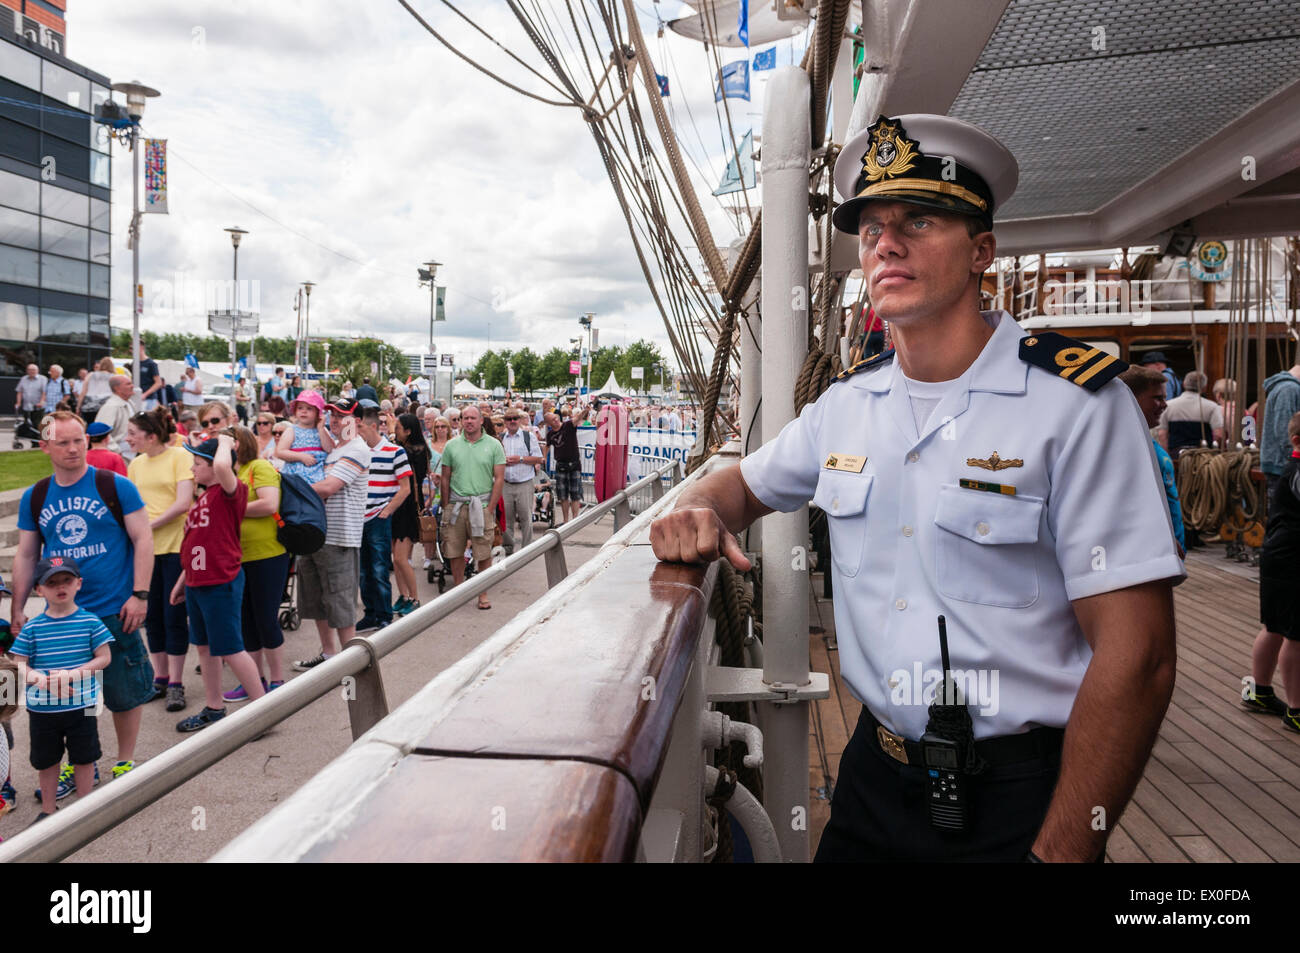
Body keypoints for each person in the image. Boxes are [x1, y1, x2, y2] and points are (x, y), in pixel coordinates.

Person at [650, 113, 1183, 862]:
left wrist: (1062, 853)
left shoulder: (1074, 406)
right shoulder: (846, 406)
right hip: (874, 777)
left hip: (1018, 798)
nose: (886, 242)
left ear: (981, 251)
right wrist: (692, 511)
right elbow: (736, 485)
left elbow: (1140, 655)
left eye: (919, 219)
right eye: (871, 229)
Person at [11, 412, 156, 793]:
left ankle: (125, 761)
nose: (74, 448)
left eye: (79, 440)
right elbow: (27, 555)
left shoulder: (115, 485)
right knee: (66, 696)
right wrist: (17, 607)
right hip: (61, 614)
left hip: (114, 607)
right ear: (45, 447)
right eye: (63, 442)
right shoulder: (36, 496)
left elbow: (143, 539)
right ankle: (76, 766)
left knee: (124, 690)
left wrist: (140, 595)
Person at [171, 435, 266, 731]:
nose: (192, 469)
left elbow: (225, 465)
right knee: (204, 647)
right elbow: (197, 544)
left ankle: (264, 713)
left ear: (216, 465)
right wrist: (182, 582)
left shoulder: (231, 491)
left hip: (220, 582)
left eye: (198, 463)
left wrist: (224, 442)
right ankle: (214, 707)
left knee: (230, 648)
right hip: (197, 583)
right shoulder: (204, 498)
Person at [8, 557, 113, 820]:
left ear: (79, 583)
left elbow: (104, 657)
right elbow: (19, 663)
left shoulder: (90, 622)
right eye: (51, 582)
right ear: (39, 590)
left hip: (83, 704)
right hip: (42, 707)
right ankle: (48, 810)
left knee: (85, 757)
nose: (60, 586)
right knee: (46, 760)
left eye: (66, 580)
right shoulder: (33, 627)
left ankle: (85, 810)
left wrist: (72, 674)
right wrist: (39, 679)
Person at [293, 398, 371, 670]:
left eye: (342, 416)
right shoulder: (336, 448)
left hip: (339, 537)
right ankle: (328, 656)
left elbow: (328, 487)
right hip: (316, 533)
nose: (335, 420)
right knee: (316, 601)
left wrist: (290, 491)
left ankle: (352, 664)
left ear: (357, 421)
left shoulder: (357, 449)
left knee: (340, 604)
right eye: (332, 415)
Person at [126, 407, 194, 712]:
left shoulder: (180, 457)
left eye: (132, 433)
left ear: (151, 436)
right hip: (145, 552)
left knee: (173, 616)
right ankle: (161, 677)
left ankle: (177, 683)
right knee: (151, 617)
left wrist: (147, 526)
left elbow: (183, 503)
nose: (127, 439)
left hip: (175, 546)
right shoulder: (136, 465)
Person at [1243, 411, 1300, 731]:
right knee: (1296, 634)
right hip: (1291, 559)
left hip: (1279, 557)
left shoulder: (1292, 471)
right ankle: (1297, 710)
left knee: (1275, 626)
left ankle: (1260, 691)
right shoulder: (1297, 472)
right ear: (1297, 442)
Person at [228, 427, 289, 698]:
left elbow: (269, 504)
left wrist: (233, 509)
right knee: (246, 622)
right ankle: (255, 680)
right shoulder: (233, 473)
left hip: (267, 554)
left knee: (266, 619)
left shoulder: (259, 467)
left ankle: (277, 680)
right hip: (239, 556)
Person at [440, 406, 505, 610]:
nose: (468, 421)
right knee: (455, 551)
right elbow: (445, 477)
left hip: (482, 506)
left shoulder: (494, 445)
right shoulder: (451, 446)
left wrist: (490, 507)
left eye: (472, 418)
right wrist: (446, 506)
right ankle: (459, 592)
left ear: (480, 420)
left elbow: (499, 478)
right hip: (456, 506)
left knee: (483, 552)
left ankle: (482, 594)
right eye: (465, 418)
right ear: (460, 421)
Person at [355, 405, 411, 632]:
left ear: (372, 427)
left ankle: (384, 614)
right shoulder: (357, 452)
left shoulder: (394, 451)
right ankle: (371, 613)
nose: (356, 431)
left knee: (379, 569)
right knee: (363, 570)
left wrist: (386, 511)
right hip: (359, 518)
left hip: (378, 517)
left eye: (359, 427)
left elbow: (405, 488)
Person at [1120, 366, 1185, 556]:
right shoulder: (1124, 445)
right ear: (1130, 399)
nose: (1164, 405)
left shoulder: (1146, 439)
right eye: (1157, 398)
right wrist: (1161, 539)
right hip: (1154, 550)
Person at [391, 413, 428, 616]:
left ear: (408, 431)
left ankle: (414, 597)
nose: (394, 431)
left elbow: (405, 460)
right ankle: (403, 595)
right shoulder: (404, 449)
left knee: (401, 557)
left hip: (409, 508)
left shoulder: (416, 452)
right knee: (396, 558)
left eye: (397, 428)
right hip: (398, 506)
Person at [500, 409, 544, 555]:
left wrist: (520, 459)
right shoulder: (500, 438)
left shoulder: (528, 436)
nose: (512, 421)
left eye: (515, 418)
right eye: (509, 418)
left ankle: (526, 550)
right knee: (506, 520)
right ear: (505, 421)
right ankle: (508, 548)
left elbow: (538, 458)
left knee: (526, 518)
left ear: (519, 420)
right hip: (505, 484)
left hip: (524, 483)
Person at [1158, 370, 1224, 456]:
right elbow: (1218, 435)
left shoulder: (1168, 406)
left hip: (1176, 455)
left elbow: (1162, 435)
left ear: (1184, 384)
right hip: (1202, 456)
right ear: (1204, 387)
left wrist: (1168, 458)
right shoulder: (1212, 407)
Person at [545, 402, 590, 525]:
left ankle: (574, 520)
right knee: (563, 495)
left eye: (555, 418)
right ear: (548, 423)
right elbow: (547, 446)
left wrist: (585, 411)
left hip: (574, 464)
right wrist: (543, 458)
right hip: (561, 465)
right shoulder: (550, 434)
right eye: (552, 420)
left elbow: (578, 418)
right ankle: (565, 521)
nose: (555, 420)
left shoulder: (568, 425)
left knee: (575, 494)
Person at [276, 390, 333, 483]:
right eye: (300, 408)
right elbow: (280, 452)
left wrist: (321, 429)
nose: (304, 411)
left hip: (317, 475)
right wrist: (301, 457)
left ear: (318, 413)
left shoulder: (321, 430)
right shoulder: (292, 430)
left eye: (309, 408)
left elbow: (329, 449)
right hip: (295, 476)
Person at [1261, 363, 1300, 500]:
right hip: (1281, 465)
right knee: (1284, 515)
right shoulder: (1289, 389)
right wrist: (1295, 459)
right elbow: (1284, 431)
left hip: (1282, 464)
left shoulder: (1287, 388)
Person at [96, 375, 136, 458]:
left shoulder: (129, 403)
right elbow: (101, 432)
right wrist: (116, 451)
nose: (132, 386)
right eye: (128, 384)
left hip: (131, 454)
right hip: (120, 456)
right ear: (117, 388)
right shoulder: (111, 407)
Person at [77, 357, 117, 421]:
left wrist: (78, 406)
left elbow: (83, 392)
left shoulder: (90, 375)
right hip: (105, 407)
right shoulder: (114, 377)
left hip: (89, 406)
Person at [14, 364, 46, 436]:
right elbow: (19, 392)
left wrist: (41, 401)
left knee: (37, 424)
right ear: (27, 371)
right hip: (27, 406)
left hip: (38, 407)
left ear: (37, 371)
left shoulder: (43, 379)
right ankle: (32, 441)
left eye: (33, 370)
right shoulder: (23, 379)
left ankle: (38, 441)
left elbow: (44, 392)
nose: (31, 371)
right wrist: (18, 403)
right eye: (29, 370)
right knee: (28, 425)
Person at [137, 344, 163, 410]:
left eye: (132, 348)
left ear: (141, 347)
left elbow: (158, 383)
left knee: (149, 419)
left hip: (149, 400)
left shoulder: (151, 364)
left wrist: (145, 395)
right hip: (138, 399)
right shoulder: (134, 363)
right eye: (130, 348)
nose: (131, 350)